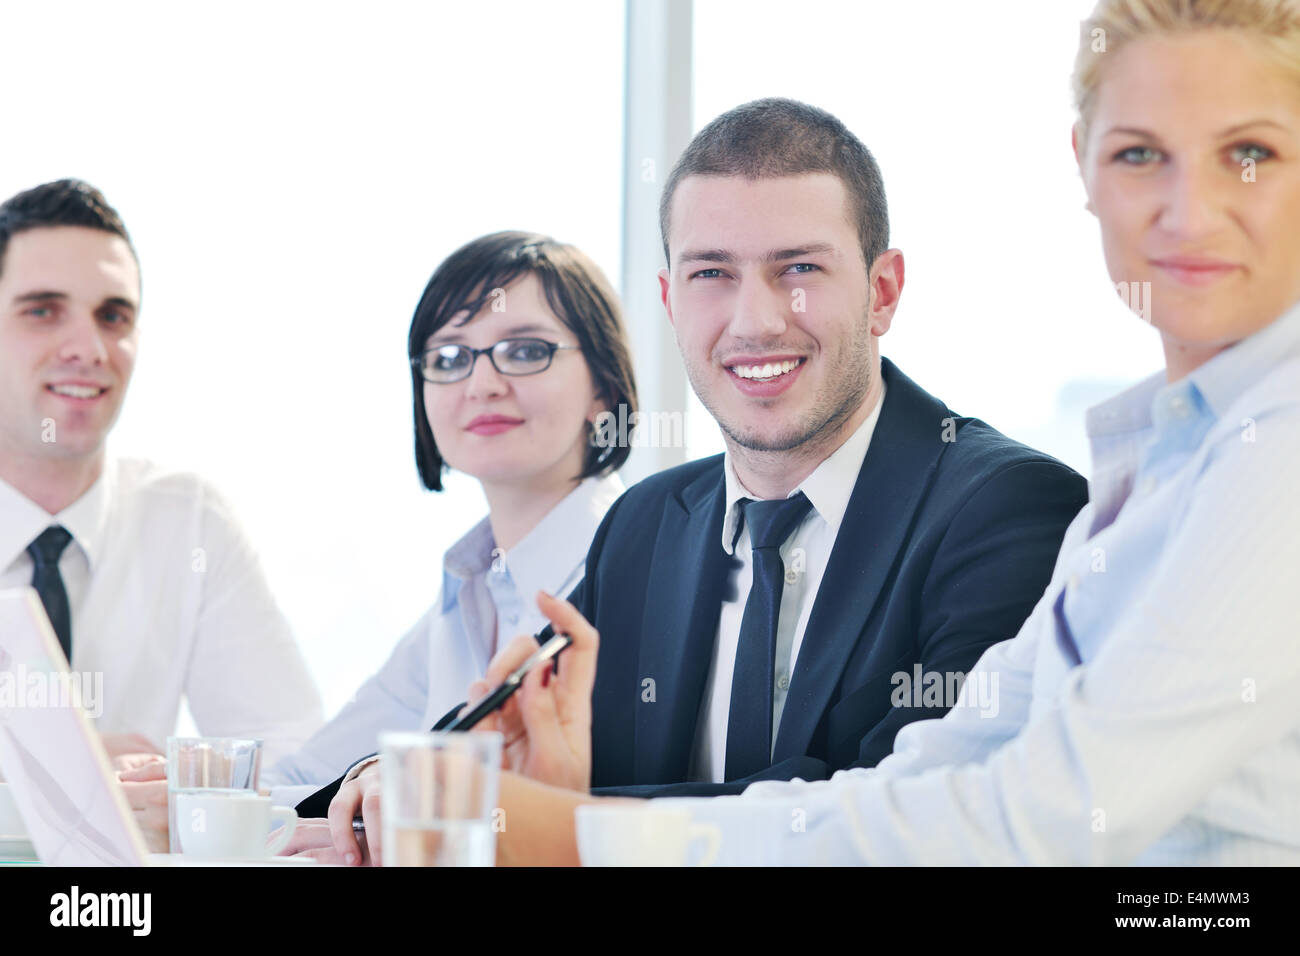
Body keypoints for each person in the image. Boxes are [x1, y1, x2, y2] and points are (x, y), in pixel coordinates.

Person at [455, 0, 1300, 865]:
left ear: (883, 291)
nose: (1190, 210)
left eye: (1250, 153)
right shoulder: (1161, 468)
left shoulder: (1247, 462)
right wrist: (547, 813)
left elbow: (1030, 818)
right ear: (1082, 166)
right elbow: (925, 777)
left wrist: (579, 833)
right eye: (1140, 155)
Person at [319, 100, 1089, 864]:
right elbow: (501, 749)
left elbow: (900, 813)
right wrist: (388, 777)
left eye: (798, 269)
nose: (754, 321)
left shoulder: (1011, 510)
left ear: (883, 291)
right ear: (669, 301)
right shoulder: (647, 522)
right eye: (712, 273)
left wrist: (560, 822)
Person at [119, 231, 636, 855]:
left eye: (524, 351)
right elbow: (314, 780)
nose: (483, 383)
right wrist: (189, 797)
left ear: (604, 386)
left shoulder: (646, 561)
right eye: (449, 357)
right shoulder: (467, 594)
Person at [0, 179, 322, 768]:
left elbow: (293, 758)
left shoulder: (188, 521)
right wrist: (50, 774)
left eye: (113, 316)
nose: (89, 348)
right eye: (43, 311)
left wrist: (182, 784)